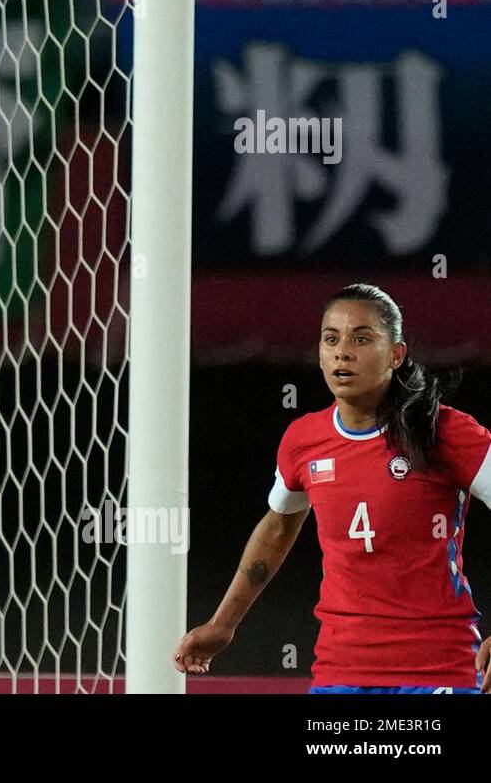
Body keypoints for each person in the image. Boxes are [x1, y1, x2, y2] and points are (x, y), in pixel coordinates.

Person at [174, 283, 491, 693]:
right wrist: (222, 624)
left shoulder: (445, 432)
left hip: (439, 668)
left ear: (397, 354)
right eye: (331, 339)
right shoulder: (304, 440)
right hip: (342, 670)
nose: (343, 351)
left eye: (362, 338)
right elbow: (277, 528)